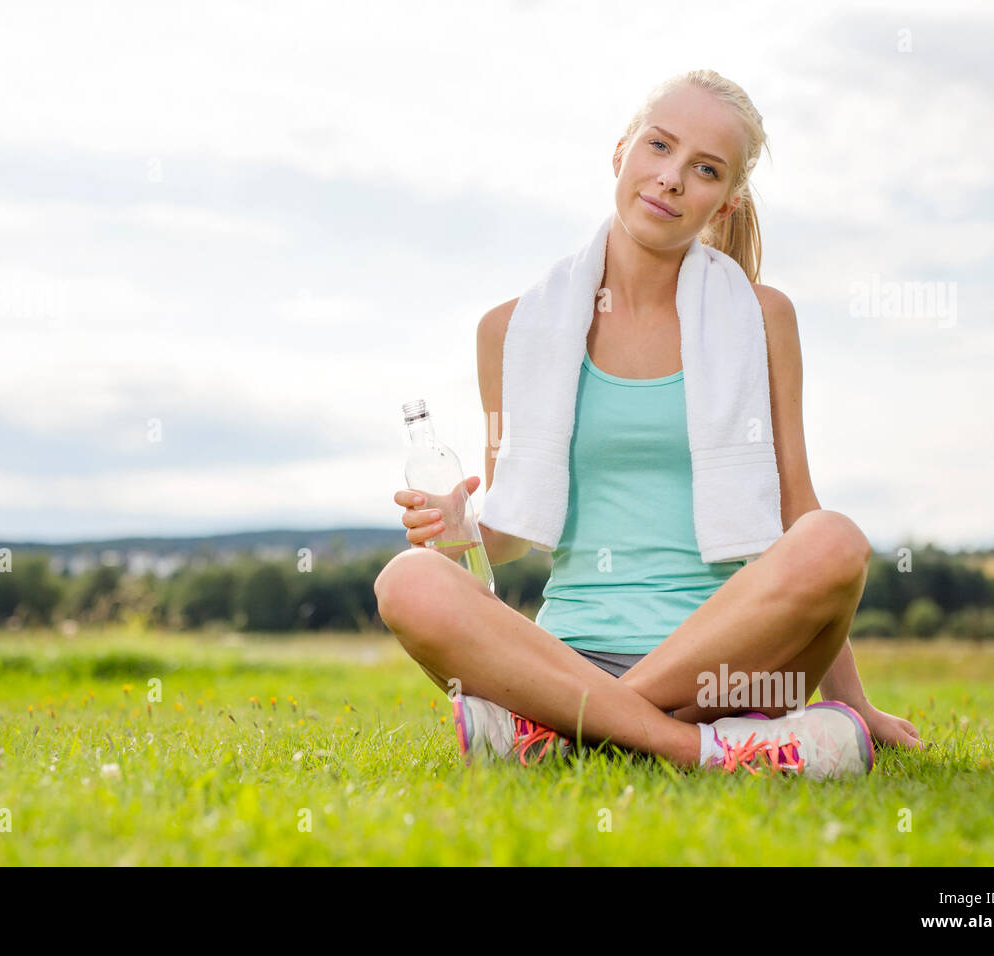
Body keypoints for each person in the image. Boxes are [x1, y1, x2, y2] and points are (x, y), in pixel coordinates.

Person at [375, 69, 923, 778]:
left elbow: (797, 515)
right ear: (620, 154)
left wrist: (856, 706)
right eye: (658, 147)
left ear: (724, 203)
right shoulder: (510, 330)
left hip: (732, 663)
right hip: (568, 653)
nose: (670, 178)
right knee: (407, 581)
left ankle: (563, 731)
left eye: (703, 169)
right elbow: (510, 532)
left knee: (836, 540)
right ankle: (702, 749)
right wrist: (459, 530)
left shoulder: (762, 318)